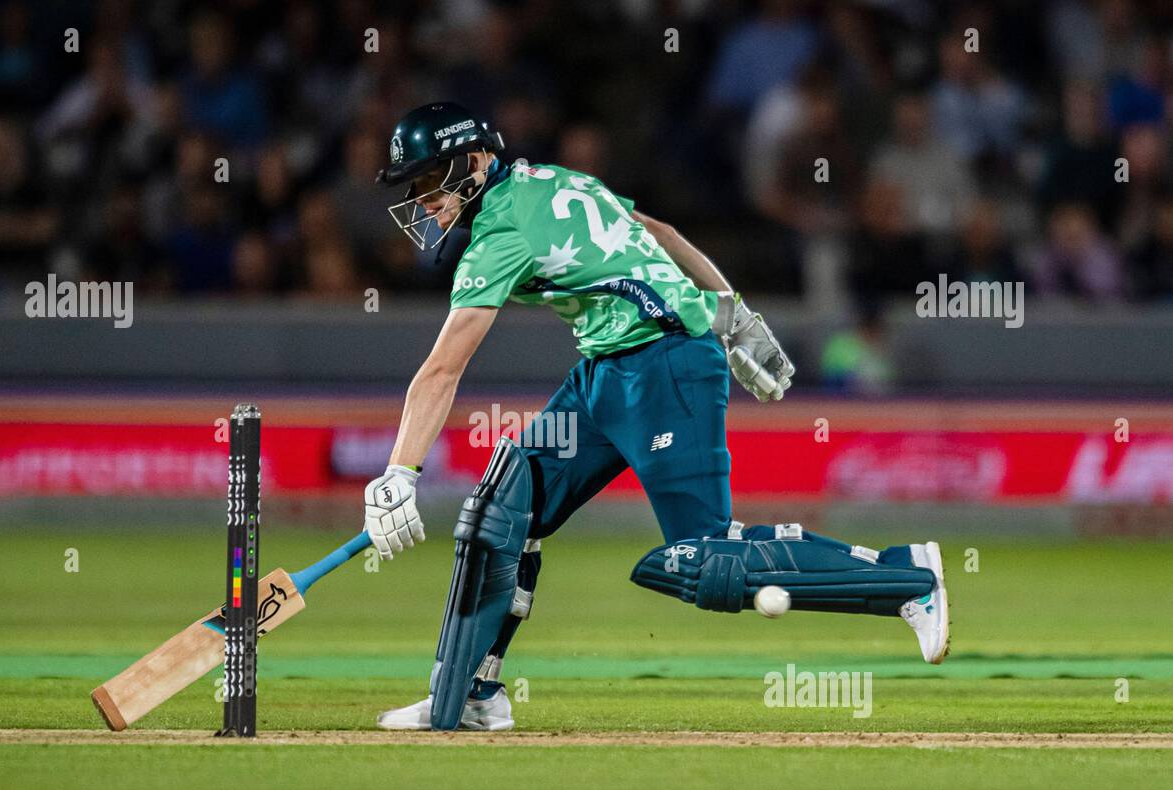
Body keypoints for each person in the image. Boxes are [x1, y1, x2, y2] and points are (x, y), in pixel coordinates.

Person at [365, 103, 949, 732]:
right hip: (604, 373)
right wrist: (736, 313)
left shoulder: (500, 235)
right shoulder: (555, 180)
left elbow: (442, 370)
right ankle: (472, 693)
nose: (423, 200)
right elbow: (660, 233)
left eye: (432, 179)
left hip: (665, 366)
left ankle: (905, 579)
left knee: (705, 557)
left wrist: (400, 472)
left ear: (476, 160)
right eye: (415, 186)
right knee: (506, 511)